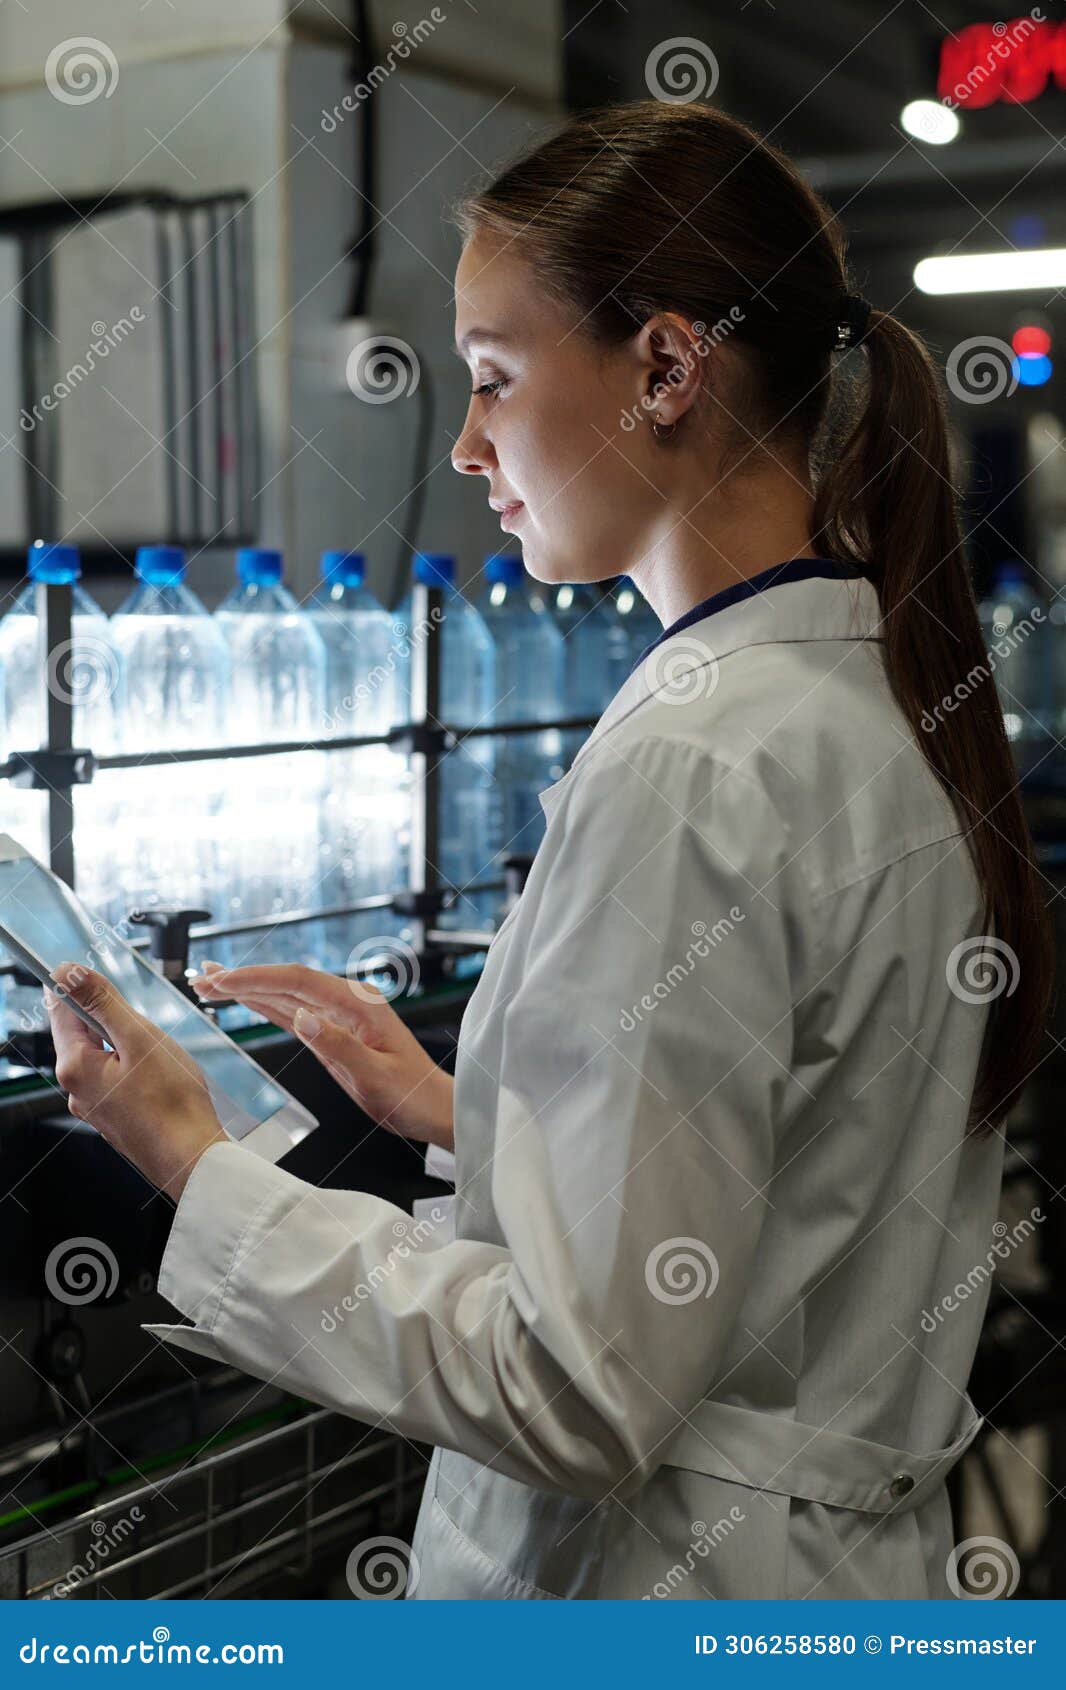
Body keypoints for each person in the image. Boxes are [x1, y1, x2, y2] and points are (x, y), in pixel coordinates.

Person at [45, 99, 1053, 1600]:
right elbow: (788, 1175)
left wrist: (195, 1165)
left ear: (663, 365)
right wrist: (472, 1109)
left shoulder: (695, 765)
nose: (462, 444)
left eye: (494, 380)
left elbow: (576, 1391)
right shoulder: (860, 686)